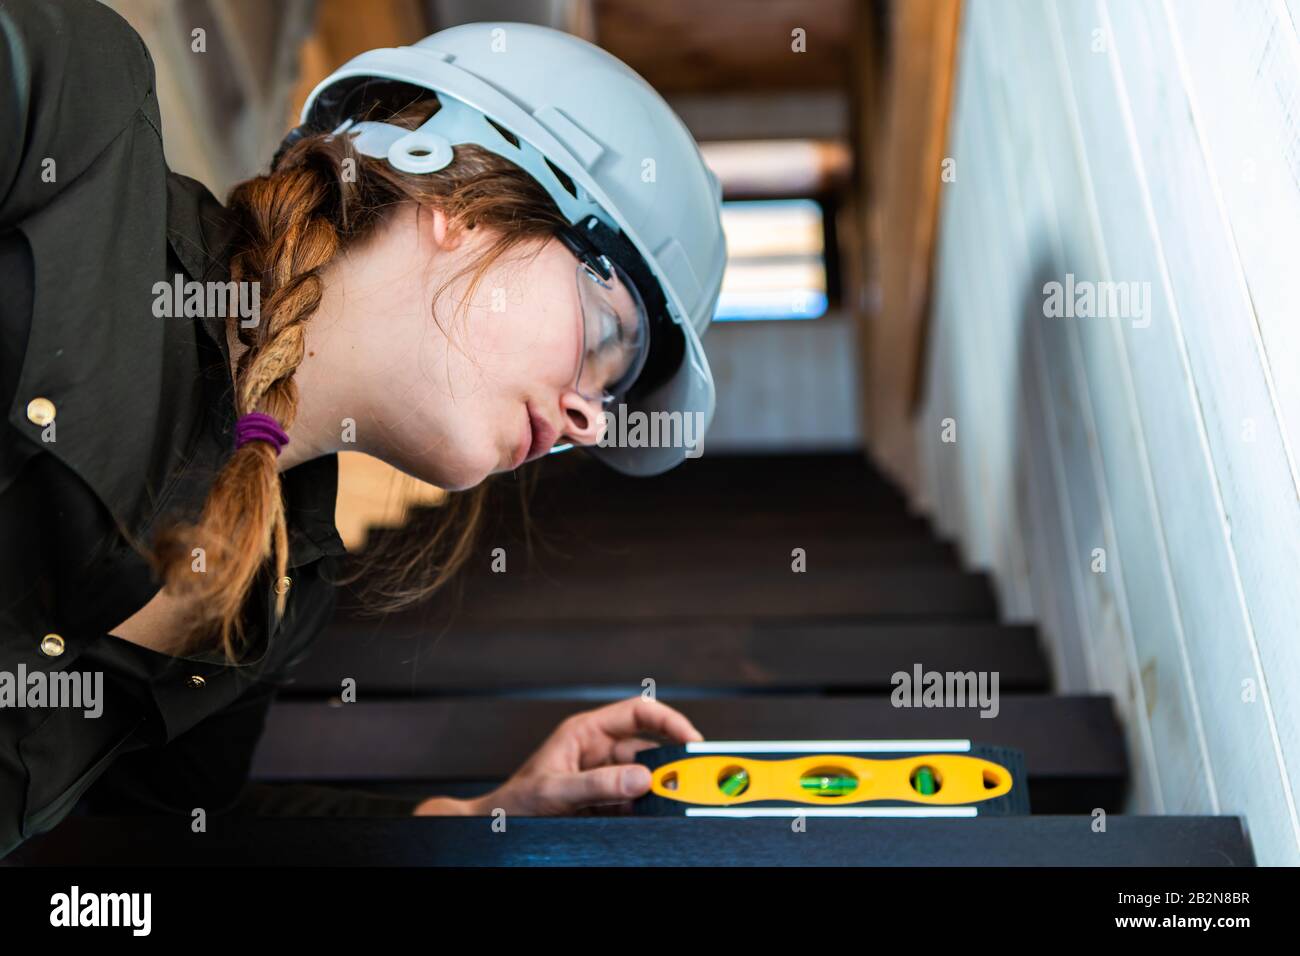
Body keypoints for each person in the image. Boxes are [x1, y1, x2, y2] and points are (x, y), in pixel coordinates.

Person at [0, 0, 726, 857]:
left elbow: (163, 837)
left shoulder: (283, 591)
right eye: (606, 333)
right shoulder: (75, 114)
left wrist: (468, 822)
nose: (589, 420)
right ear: (459, 195)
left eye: (612, 394)